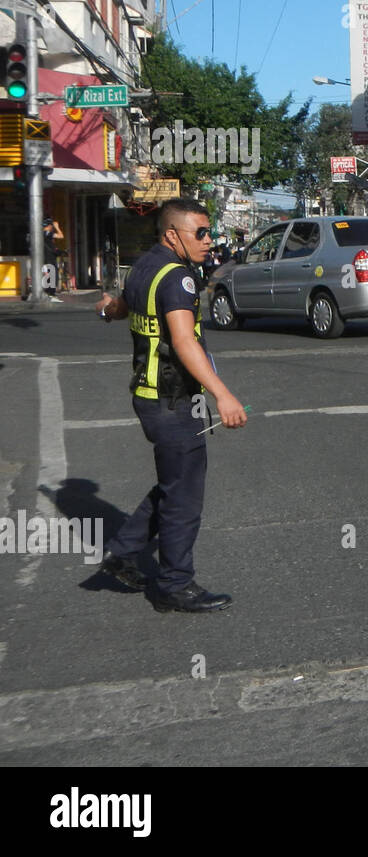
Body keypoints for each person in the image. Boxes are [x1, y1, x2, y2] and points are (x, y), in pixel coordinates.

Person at [94, 198, 248, 613]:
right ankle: (175, 586)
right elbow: (183, 341)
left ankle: (124, 551)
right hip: (173, 401)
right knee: (184, 499)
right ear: (172, 234)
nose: (208, 240)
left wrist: (107, 310)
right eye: (199, 232)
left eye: (208, 231)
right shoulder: (178, 278)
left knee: (176, 482)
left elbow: (123, 305)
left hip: (147, 397)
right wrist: (222, 393)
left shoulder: (144, 267)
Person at [42, 217, 64, 300]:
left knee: (48, 275)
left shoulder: (41, 233)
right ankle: (51, 294)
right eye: (52, 226)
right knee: (52, 275)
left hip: (45, 258)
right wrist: (57, 227)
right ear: (50, 226)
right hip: (49, 258)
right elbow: (61, 236)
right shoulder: (47, 233)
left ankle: (49, 293)